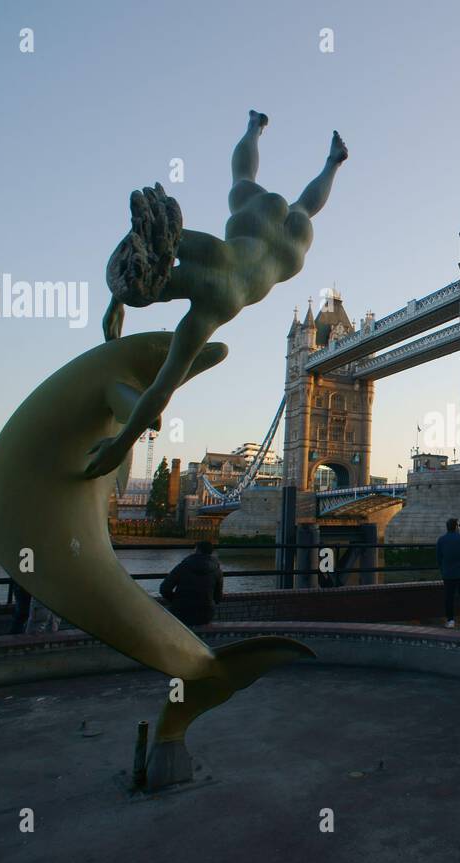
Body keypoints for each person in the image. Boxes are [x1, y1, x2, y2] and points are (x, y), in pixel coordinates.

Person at [85, 111, 349, 479]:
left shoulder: (209, 312)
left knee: (301, 207)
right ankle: (262, 131)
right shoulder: (205, 250)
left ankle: (327, 161)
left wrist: (121, 443)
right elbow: (150, 240)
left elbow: (162, 388)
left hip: (292, 247)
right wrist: (116, 296)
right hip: (260, 222)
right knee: (245, 180)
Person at [159, 540, 225, 626]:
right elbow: (218, 597)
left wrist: (176, 600)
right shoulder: (217, 570)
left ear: (197, 550)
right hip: (205, 614)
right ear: (211, 552)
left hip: (181, 612)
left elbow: (164, 589)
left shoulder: (183, 566)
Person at [436, 517, 460, 629]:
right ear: (456, 527)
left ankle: (450, 620)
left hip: (448, 574)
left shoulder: (441, 540)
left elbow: (439, 558)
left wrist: (443, 569)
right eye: (459, 525)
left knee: (449, 598)